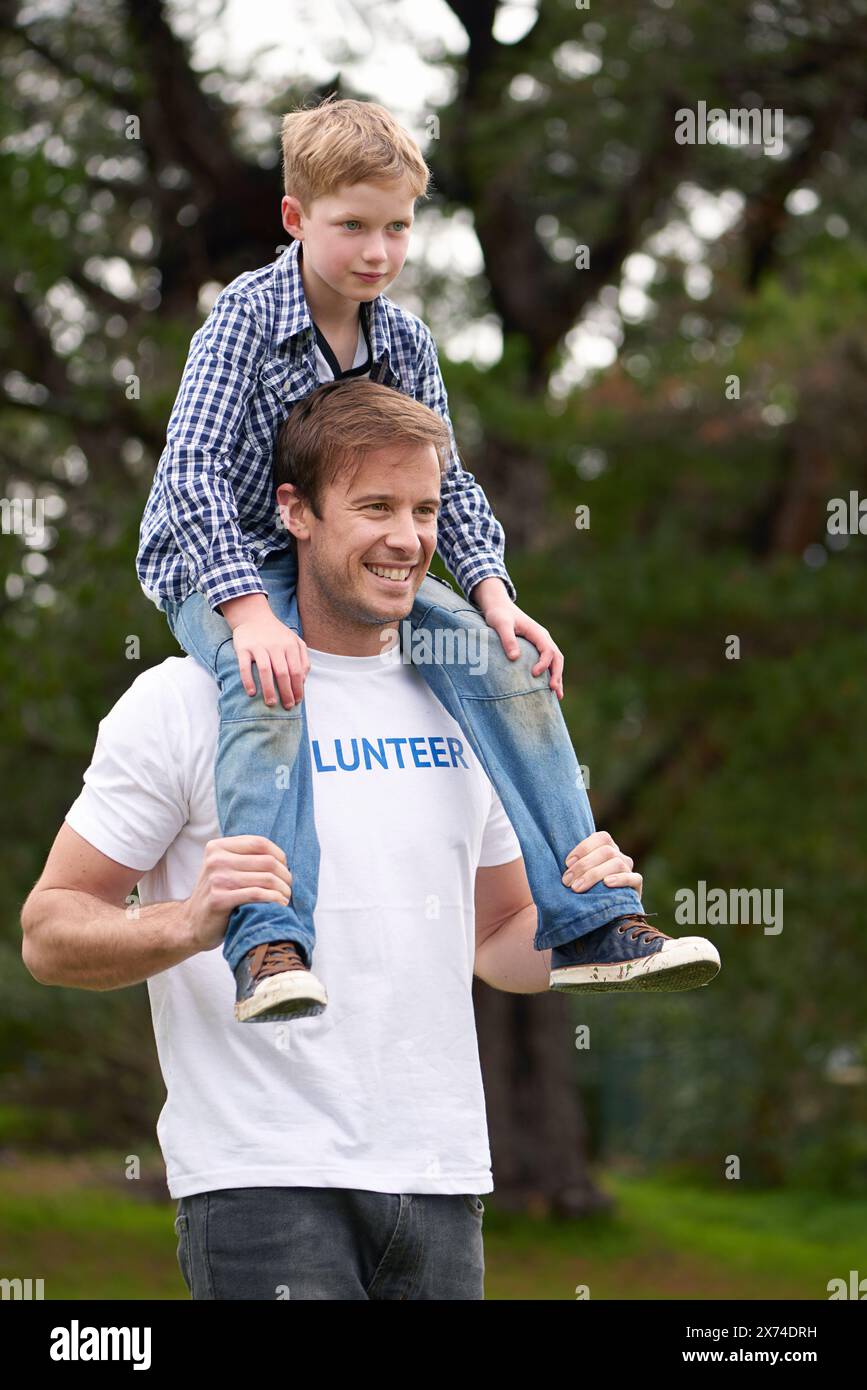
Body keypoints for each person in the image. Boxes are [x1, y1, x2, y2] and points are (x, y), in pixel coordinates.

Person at [21, 384, 662, 1301]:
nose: (408, 539)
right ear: (296, 512)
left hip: (442, 1179)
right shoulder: (183, 699)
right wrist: (195, 922)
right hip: (263, 1185)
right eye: (374, 508)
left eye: (425, 510)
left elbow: (497, 941)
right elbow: (50, 932)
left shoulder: (468, 697)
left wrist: (583, 922)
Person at [135, 97, 720, 1024]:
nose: (376, 251)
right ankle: (269, 940)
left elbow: (446, 480)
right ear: (297, 219)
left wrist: (493, 597)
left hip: (347, 561)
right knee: (266, 685)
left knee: (506, 663)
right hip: (222, 561)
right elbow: (191, 474)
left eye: (397, 227)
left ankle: (591, 919)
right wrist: (247, 613)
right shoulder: (244, 319)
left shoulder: (402, 340)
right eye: (352, 227)